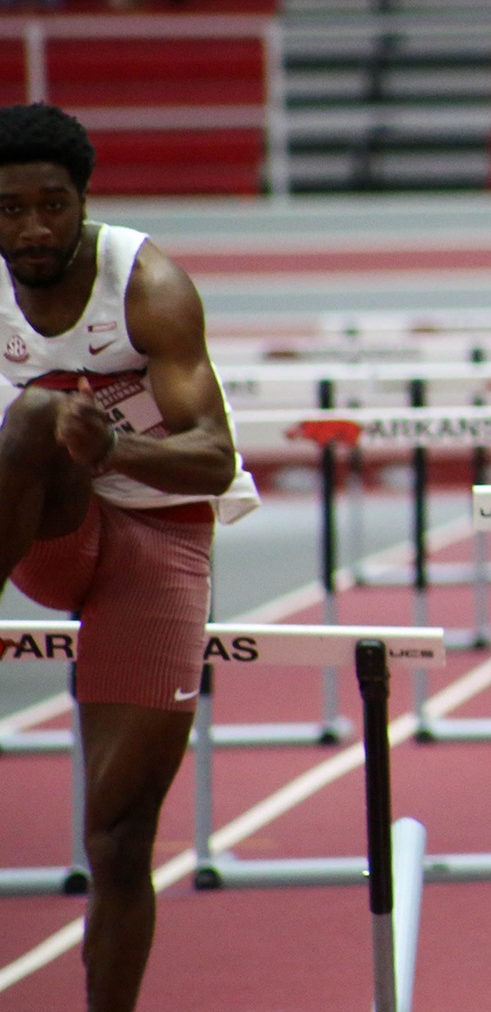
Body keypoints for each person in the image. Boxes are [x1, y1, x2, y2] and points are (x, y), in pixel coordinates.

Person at [0, 102, 258, 1011]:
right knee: (33, 416)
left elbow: (213, 456)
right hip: (47, 530)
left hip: (159, 531)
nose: (34, 228)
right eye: (12, 209)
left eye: (54, 207)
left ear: (84, 202)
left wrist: (108, 446)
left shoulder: (146, 281)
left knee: (116, 837)